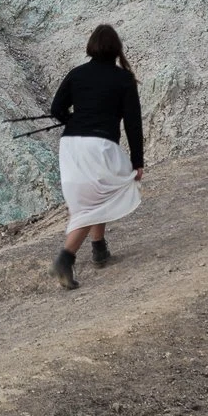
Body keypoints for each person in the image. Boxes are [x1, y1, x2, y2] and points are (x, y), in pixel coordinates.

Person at [47, 24, 144, 290]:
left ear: (91, 46)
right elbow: (133, 124)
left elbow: (56, 108)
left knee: (95, 194)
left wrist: (74, 120)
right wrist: (138, 161)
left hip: (71, 145)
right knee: (101, 194)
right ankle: (65, 259)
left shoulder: (77, 74)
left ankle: (99, 248)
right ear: (116, 49)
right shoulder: (124, 79)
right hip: (100, 144)